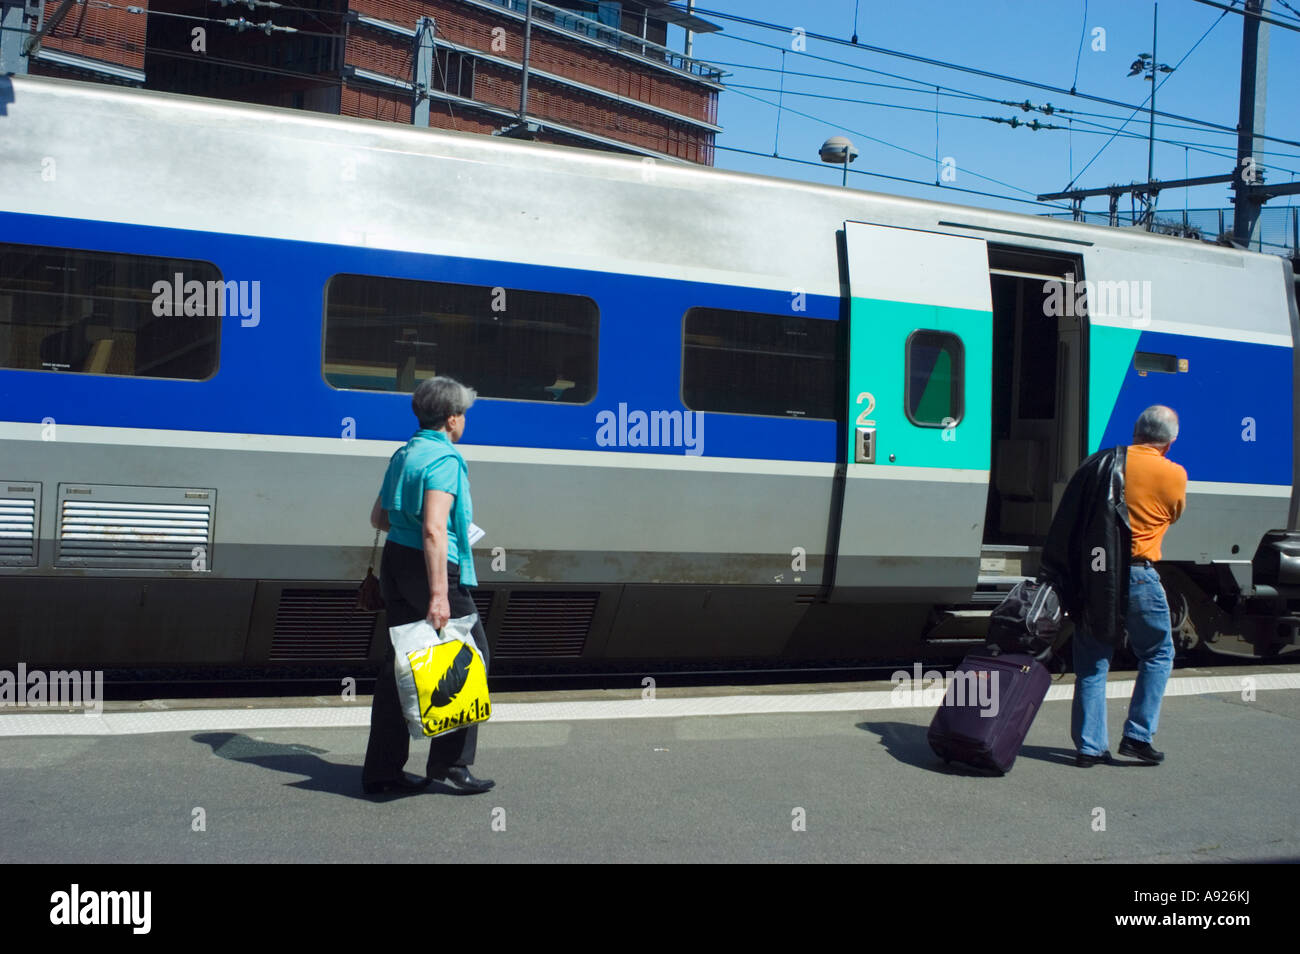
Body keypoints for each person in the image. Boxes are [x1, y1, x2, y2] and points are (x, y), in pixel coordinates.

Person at [361, 376, 494, 795]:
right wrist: (439, 596)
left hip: (396, 563)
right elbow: (435, 531)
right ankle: (452, 763)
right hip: (430, 568)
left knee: (398, 665)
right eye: (464, 415)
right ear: (452, 418)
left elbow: (379, 519)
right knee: (470, 656)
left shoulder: (405, 453)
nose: (464, 422)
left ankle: (382, 772)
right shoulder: (444, 460)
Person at [1041, 405, 1187, 768]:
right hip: (1140, 576)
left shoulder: (1099, 463)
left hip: (1096, 576)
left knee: (1092, 662)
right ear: (1169, 442)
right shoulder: (1174, 474)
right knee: (1157, 653)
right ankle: (1138, 736)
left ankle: (1090, 746)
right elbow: (1174, 514)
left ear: (1136, 432)